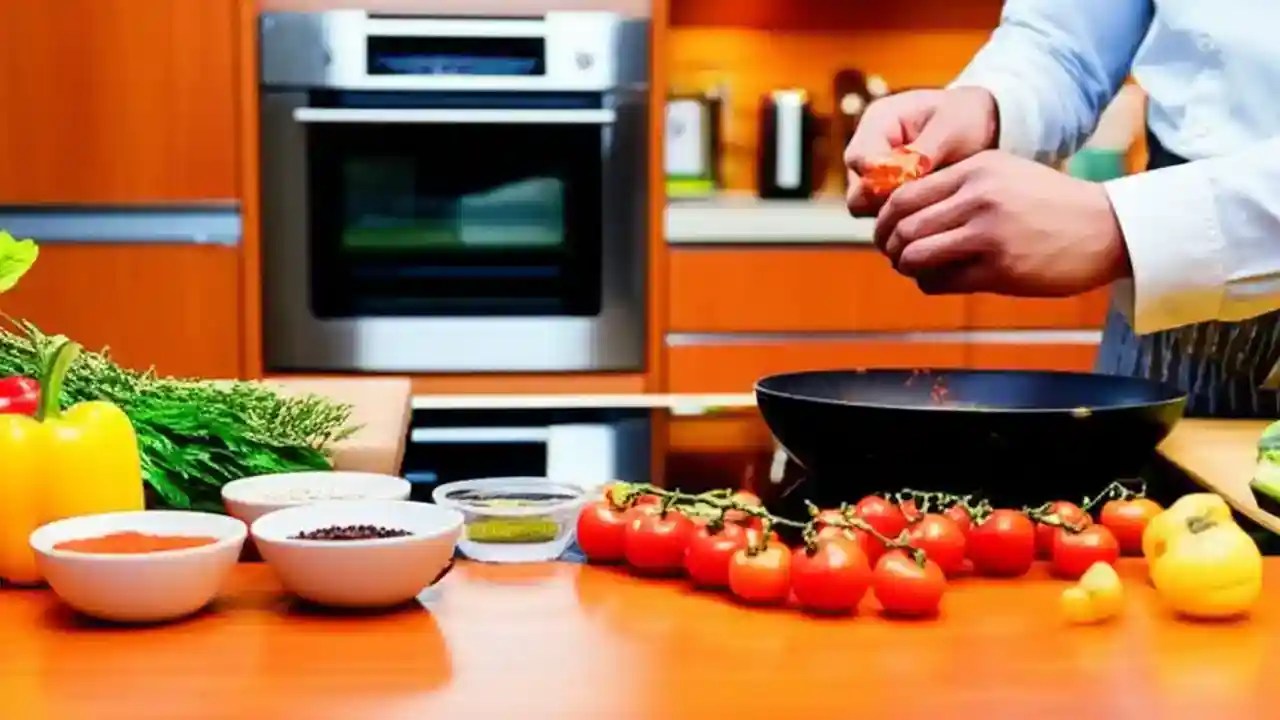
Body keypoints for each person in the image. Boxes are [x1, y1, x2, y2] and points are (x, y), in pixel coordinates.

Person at [844, 1, 1280, 418]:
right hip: (1168, 319)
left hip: (1156, 249)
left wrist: (1122, 227)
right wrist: (991, 106)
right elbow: (1064, 36)